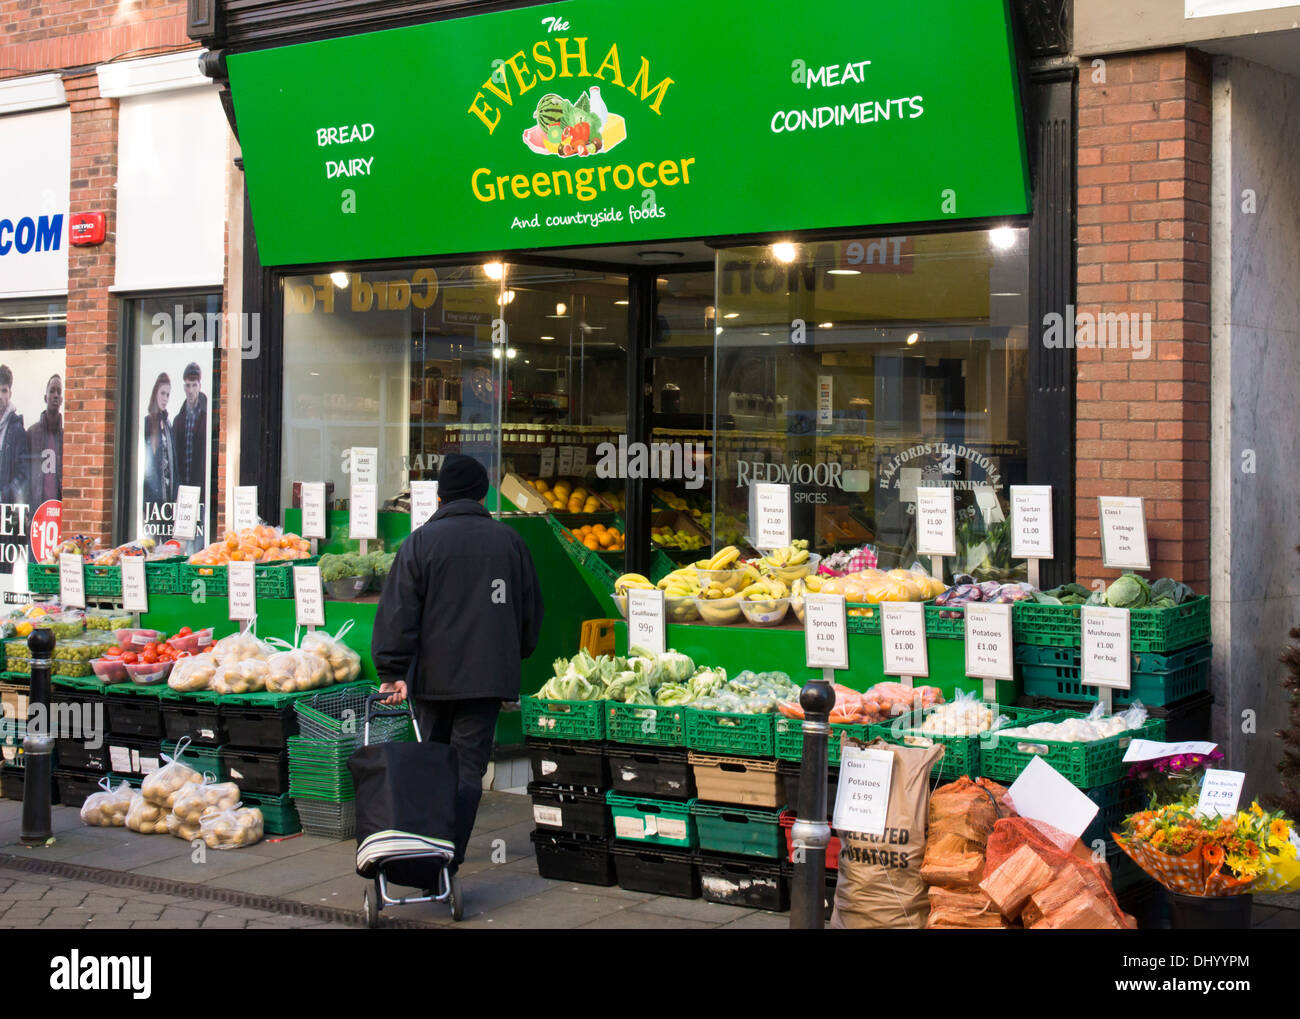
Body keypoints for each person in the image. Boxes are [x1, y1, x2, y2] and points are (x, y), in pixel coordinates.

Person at [371, 454, 544, 873]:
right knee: (469, 768)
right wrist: (512, 653)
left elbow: (398, 612)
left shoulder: (420, 543)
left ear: (440, 496)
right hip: (486, 678)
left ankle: (424, 850)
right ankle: (449, 859)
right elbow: (529, 611)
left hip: (431, 679)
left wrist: (392, 672)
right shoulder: (509, 542)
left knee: (432, 763)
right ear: (483, 493)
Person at [142, 372, 177, 511]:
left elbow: (174, 464)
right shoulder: (148, 422)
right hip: (152, 498)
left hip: (168, 498)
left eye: (168, 395)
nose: (165, 398)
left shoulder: (168, 425)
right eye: (162, 393)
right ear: (155, 393)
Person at [26, 373, 62, 505]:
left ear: (62, 399)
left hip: (58, 509)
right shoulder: (31, 433)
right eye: (52, 391)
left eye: (59, 391)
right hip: (37, 508)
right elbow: (25, 475)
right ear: (45, 397)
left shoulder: (66, 437)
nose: (56, 395)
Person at [172, 362, 207, 491]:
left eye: (194, 385)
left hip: (201, 491)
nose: (191, 390)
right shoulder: (177, 421)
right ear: (184, 387)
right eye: (187, 385)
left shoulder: (208, 418)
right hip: (181, 491)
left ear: (200, 386)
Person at [0, 365, 29, 506]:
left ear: (10, 394)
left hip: (6, 511)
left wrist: (4, 495)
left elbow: (23, 474)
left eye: (4, 390)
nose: (0, 396)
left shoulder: (17, 430)